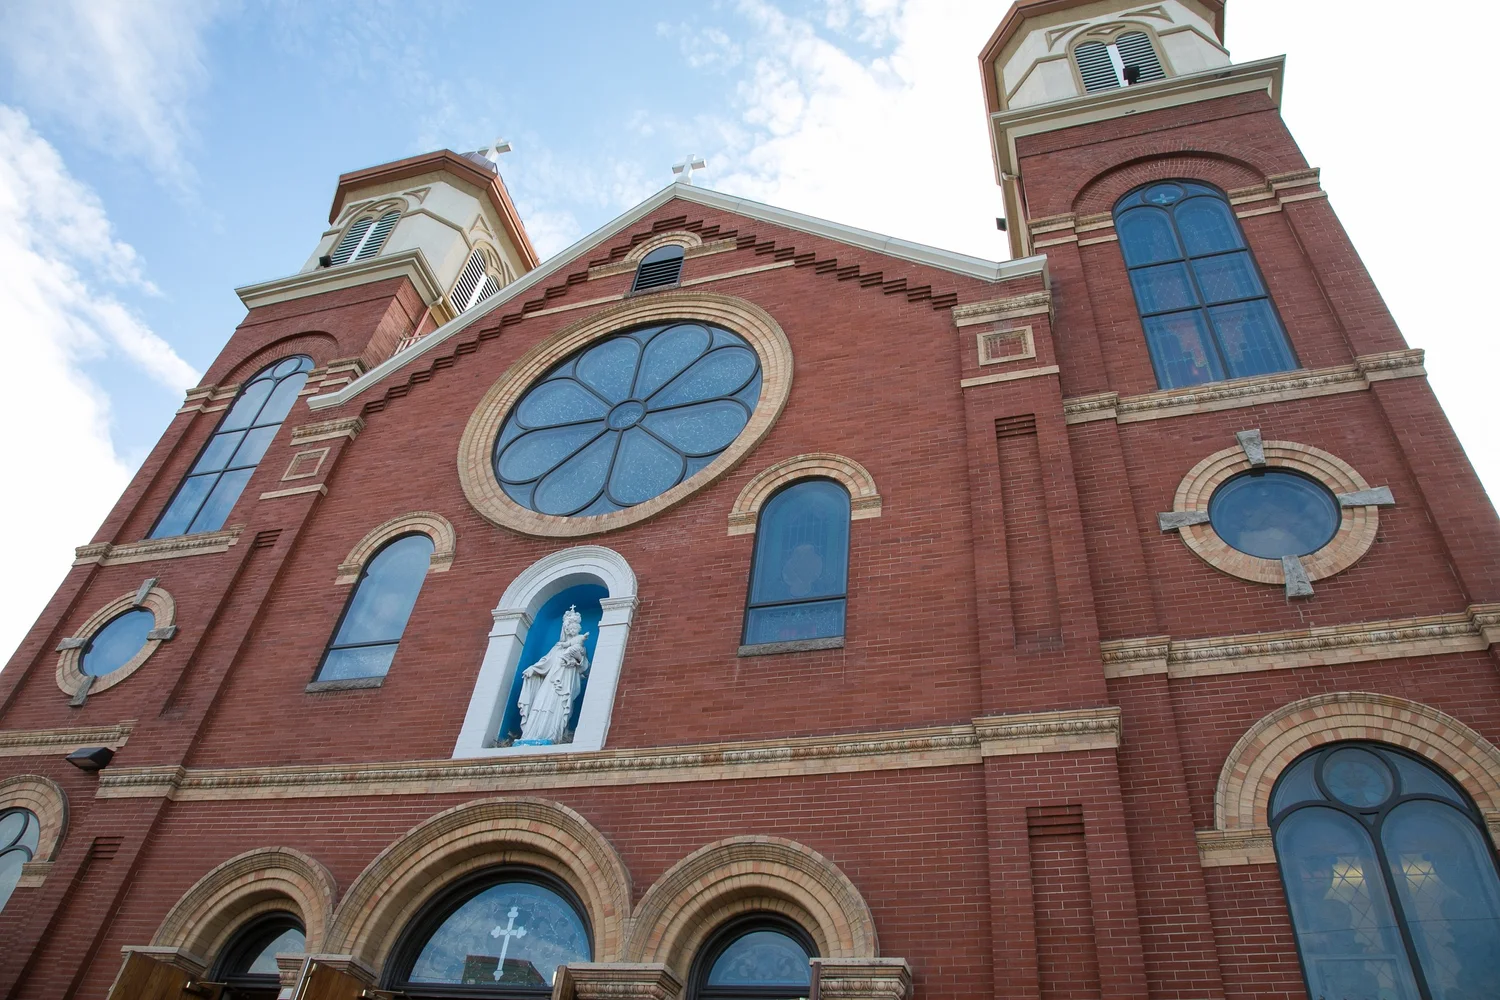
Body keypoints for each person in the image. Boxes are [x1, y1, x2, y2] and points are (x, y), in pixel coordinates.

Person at [517, 606, 589, 744]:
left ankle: (553, 736)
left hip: (566, 682)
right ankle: (532, 735)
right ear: (566, 629)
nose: (573, 630)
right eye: (570, 628)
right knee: (540, 703)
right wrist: (533, 669)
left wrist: (579, 659)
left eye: (575, 628)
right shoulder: (557, 647)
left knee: (559, 707)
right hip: (550, 682)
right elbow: (546, 662)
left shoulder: (580, 647)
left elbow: (584, 667)